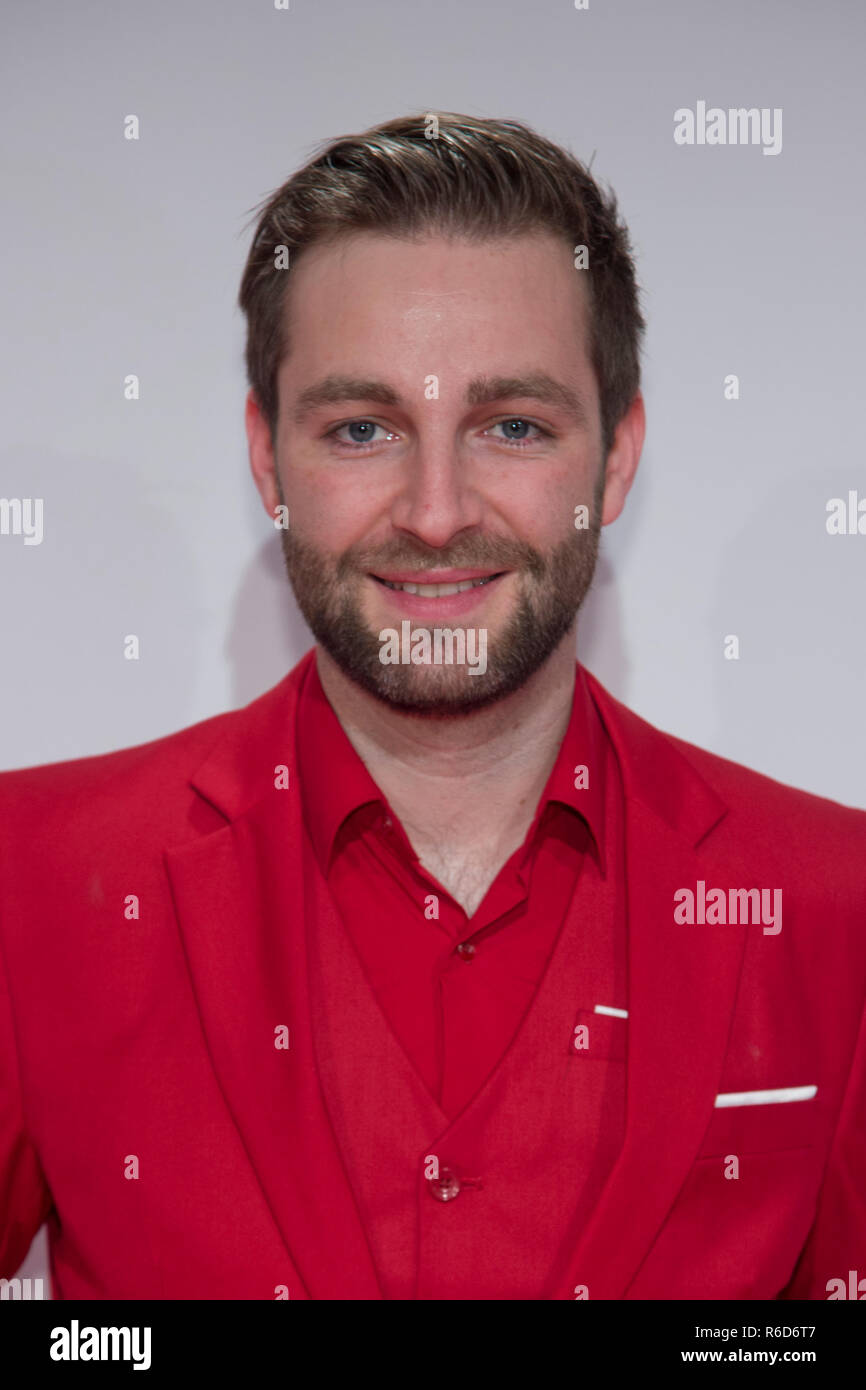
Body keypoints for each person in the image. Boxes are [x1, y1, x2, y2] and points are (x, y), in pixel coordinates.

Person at [1, 112, 864, 1301]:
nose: (438, 509)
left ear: (613, 459)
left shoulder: (835, 902)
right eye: (362, 429)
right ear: (267, 459)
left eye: (512, 425)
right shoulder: (30, 876)